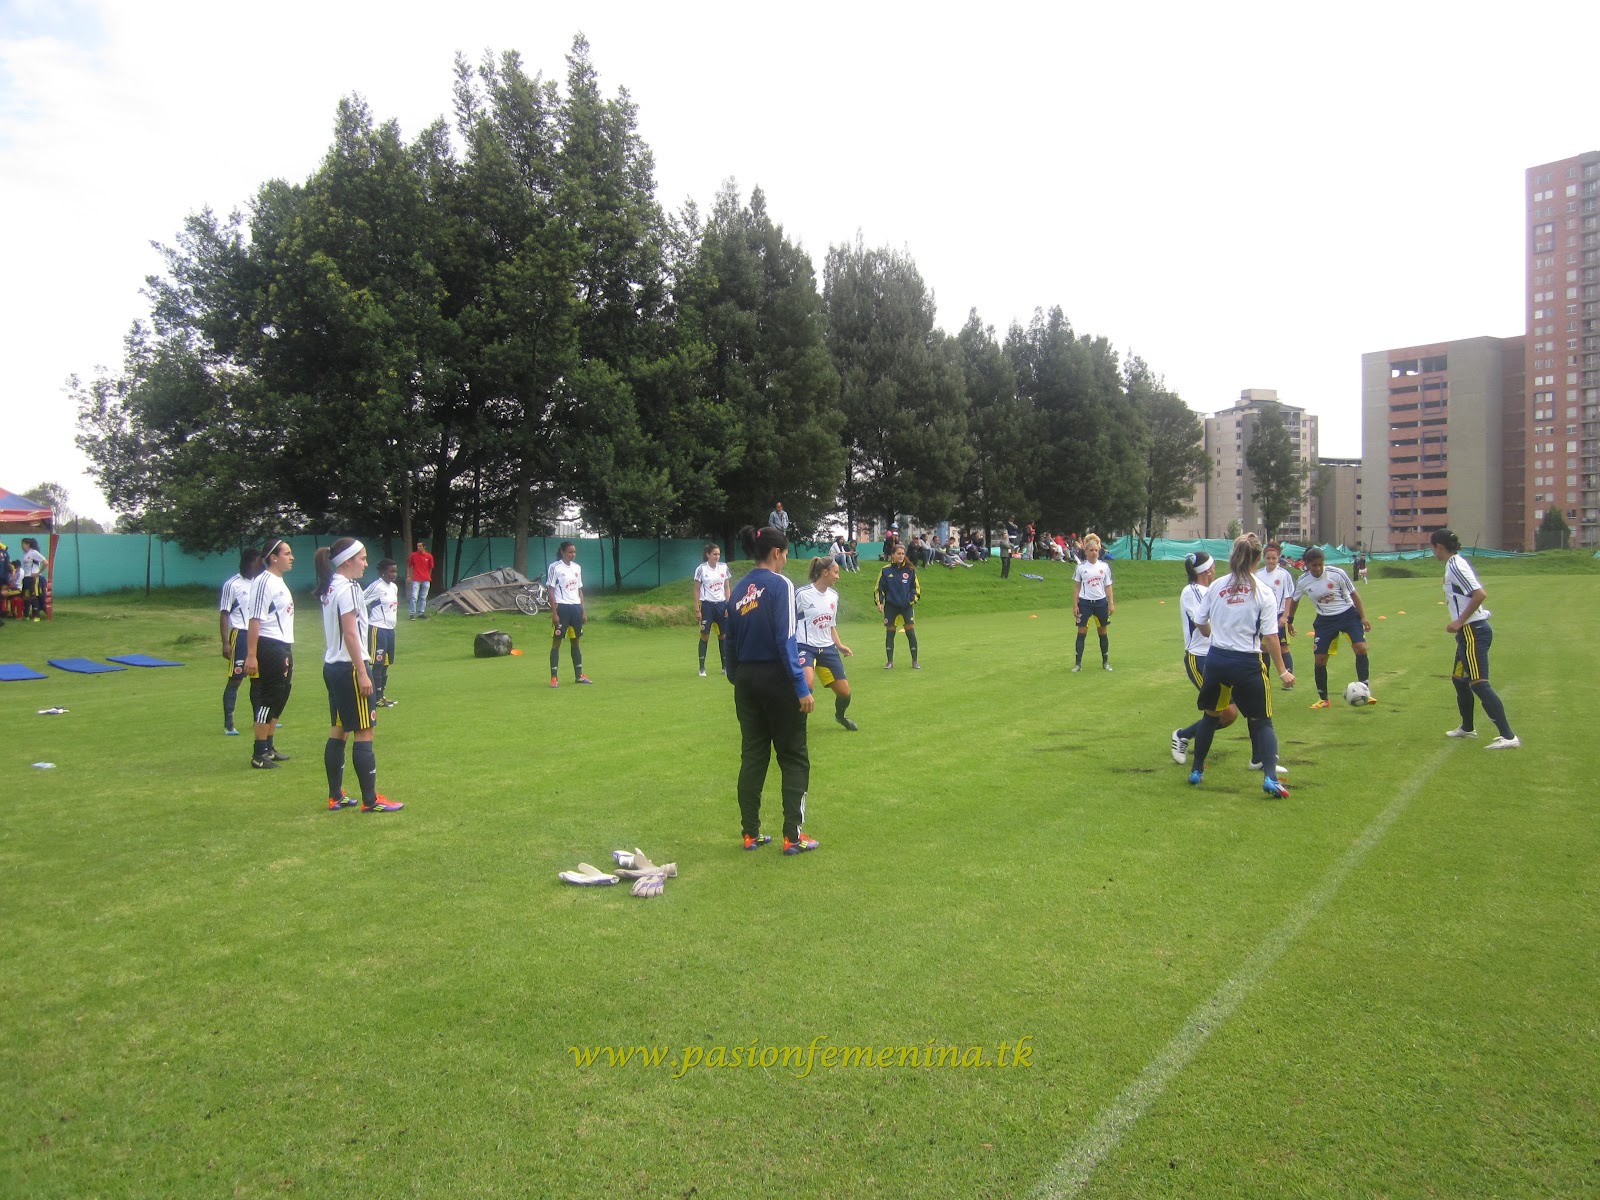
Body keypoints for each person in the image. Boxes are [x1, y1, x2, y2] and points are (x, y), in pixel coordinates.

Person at [725, 524, 817, 855]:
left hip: (747, 679)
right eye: (786, 553)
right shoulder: (781, 585)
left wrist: (737, 677)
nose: (786, 560)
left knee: (753, 755)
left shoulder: (738, 589)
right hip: (777, 678)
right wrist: (800, 687)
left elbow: (730, 639)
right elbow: (786, 639)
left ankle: (750, 834)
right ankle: (793, 837)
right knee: (793, 756)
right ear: (776, 552)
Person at [1187, 536, 1295, 797]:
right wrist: (1282, 671)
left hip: (1216, 659)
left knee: (1211, 716)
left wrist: (1216, 635)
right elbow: (1270, 637)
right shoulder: (1263, 591)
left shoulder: (1217, 585)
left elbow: (1200, 621)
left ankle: (1197, 771)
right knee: (1262, 721)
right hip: (1247, 661)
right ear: (1257, 559)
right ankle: (1270, 776)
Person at [316, 539, 402, 813]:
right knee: (365, 732)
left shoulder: (330, 586)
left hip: (333, 666)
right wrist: (364, 673)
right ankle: (371, 800)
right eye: (363, 558)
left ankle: (335, 796)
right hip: (351, 668)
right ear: (348, 561)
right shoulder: (350, 589)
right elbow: (351, 633)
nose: (366, 563)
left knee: (339, 730)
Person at [1432, 529, 1520, 750]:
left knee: (1479, 683)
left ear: (1438, 547)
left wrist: (1459, 621)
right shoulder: (1454, 563)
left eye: (1433, 547)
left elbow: (1479, 594)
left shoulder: (1455, 565)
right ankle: (1468, 728)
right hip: (1467, 632)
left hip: (1473, 630)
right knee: (1459, 679)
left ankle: (1509, 737)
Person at [1170, 551, 1240, 765]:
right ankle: (1182, 736)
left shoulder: (1211, 590)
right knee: (1221, 711)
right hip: (1200, 660)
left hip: (1219, 657)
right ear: (1207, 570)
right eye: (1212, 566)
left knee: (1230, 715)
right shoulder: (1194, 591)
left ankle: (1260, 757)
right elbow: (1205, 626)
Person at [1285, 546, 1374, 709]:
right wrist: (1289, 620)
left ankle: (1365, 689)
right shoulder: (1303, 581)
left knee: (1361, 648)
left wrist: (1363, 617)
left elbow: (1354, 594)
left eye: (1320, 564)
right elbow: (1295, 600)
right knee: (1320, 659)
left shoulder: (1337, 573)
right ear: (1306, 565)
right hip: (1325, 621)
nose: (1318, 568)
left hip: (1347, 615)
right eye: (1314, 565)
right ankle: (1324, 699)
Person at [243, 538, 296, 770]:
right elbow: (255, 620)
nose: (291, 557)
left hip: (283, 645)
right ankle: (258, 753)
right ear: (274, 557)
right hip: (268, 645)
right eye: (287, 553)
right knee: (266, 696)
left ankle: (270, 747)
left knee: (281, 694)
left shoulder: (279, 581)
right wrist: (252, 654)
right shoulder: (264, 582)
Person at [796, 556, 857, 732]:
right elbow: (789, 620)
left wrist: (839, 645)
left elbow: (831, 625)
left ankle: (840, 716)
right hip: (805, 647)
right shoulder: (802, 594)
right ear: (825, 572)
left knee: (845, 693)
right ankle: (797, 726)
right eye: (836, 572)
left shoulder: (834, 597)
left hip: (827, 648)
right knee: (807, 684)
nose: (838, 576)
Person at [219, 548, 264, 735]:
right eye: (257, 562)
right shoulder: (232, 584)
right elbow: (224, 613)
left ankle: (259, 720)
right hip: (240, 635)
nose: (260, 566)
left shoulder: (260, 584)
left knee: (258, 680)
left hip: (259, 635)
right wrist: (225, 642)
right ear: (248, 562)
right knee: (236, 679)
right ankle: (229, 724)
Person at [546, 540, 592, 687]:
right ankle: (554, 677)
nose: (573, 555)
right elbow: (551, 591)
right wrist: (554, 613)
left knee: (576, 641)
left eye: (574, 552)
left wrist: (583, 611)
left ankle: (579, 675)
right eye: (570, 552)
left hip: (575, 609)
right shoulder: (555, 567)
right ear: (562, 552)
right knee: (557, 643)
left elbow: (579, 590)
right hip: (562, 609)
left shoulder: (577, 568)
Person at [1255, 541, 1297, 689]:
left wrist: (1285, 616)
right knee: (1263, 648)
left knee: (1283, 647)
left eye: (1274, 558)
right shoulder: (1258, 574)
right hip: (1262, 616)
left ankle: (1288, 680)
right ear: (1263, 558)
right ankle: (1263, 680)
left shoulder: (1284, 574)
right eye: (1268, 558)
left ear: (1279, 558)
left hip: (1278, 615)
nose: (1271, 561)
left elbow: (1288, 597)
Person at [874, 541, 922, 669]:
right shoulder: (885, 570)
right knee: (890, 634)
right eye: (898, 553)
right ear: (892, 555)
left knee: (911, 633)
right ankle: (889, 662)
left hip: (906, 607)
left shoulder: (910, 570)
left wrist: (910, 601)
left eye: (903, 554)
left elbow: (916, 589)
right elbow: (879, 589)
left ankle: (915, 661)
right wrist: (880, 603)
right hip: (891, 608)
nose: (901, 556)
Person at [1071, 534, 1115, 671]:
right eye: (1091, 550)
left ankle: (1105, 662)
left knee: (1102, 632)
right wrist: (1075, 605)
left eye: (1096, 550)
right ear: (1086, 551)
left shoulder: (1104, 567)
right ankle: (1078, 664)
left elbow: (1108, 586)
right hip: (1085, 603)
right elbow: (1077, 587)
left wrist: (1111, 603)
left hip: (1101, 603)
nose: (1094, 553)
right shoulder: (1081, 568)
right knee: (1082, 632)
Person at [362, 558, 400, 707]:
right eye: (391, 571)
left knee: (386, 664)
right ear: (382, 572)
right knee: (377, 664)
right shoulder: (376, 586)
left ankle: (382, 695)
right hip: (378, 629)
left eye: (395, 571)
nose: (394, 574)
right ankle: (375, 697)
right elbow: (360, 601)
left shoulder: (393, 588)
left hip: (390, 630)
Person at [693, 542, 731, 677]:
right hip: (707, 606)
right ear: (707, 554)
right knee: (705, 635)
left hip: (721, 605)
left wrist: (729, 605)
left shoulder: (724, 568)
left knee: (723, 635)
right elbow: (696, 590)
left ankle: (725, 667)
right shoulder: (701, 569)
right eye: (714, 554)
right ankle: (702, 668)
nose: (717, 556)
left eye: (719, 554)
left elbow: (726, 588)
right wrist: (697, 609)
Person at [20, 537, 47, 621]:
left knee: (33, 596)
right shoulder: (25, 554)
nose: (22, 546)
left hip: (33, 578)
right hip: (26, 577)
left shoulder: (34, 552)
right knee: (26, 596)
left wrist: (38, 573)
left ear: (28, 544)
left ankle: (36, 616)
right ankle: (26, 615)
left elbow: (45, 562)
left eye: (23, 544)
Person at [406, 539, 434, 620]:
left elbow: (430, 567)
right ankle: (412, 614)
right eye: (417, 546)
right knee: (414, 596)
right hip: (416, 579)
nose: (418, 547)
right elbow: (409, 566)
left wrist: (429, 576)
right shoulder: (413, 555)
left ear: (424, 547)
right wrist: (408, 576)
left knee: (423, 597)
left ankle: (421, 613)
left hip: (426, 579)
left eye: (420, 546)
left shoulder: (429, 556)